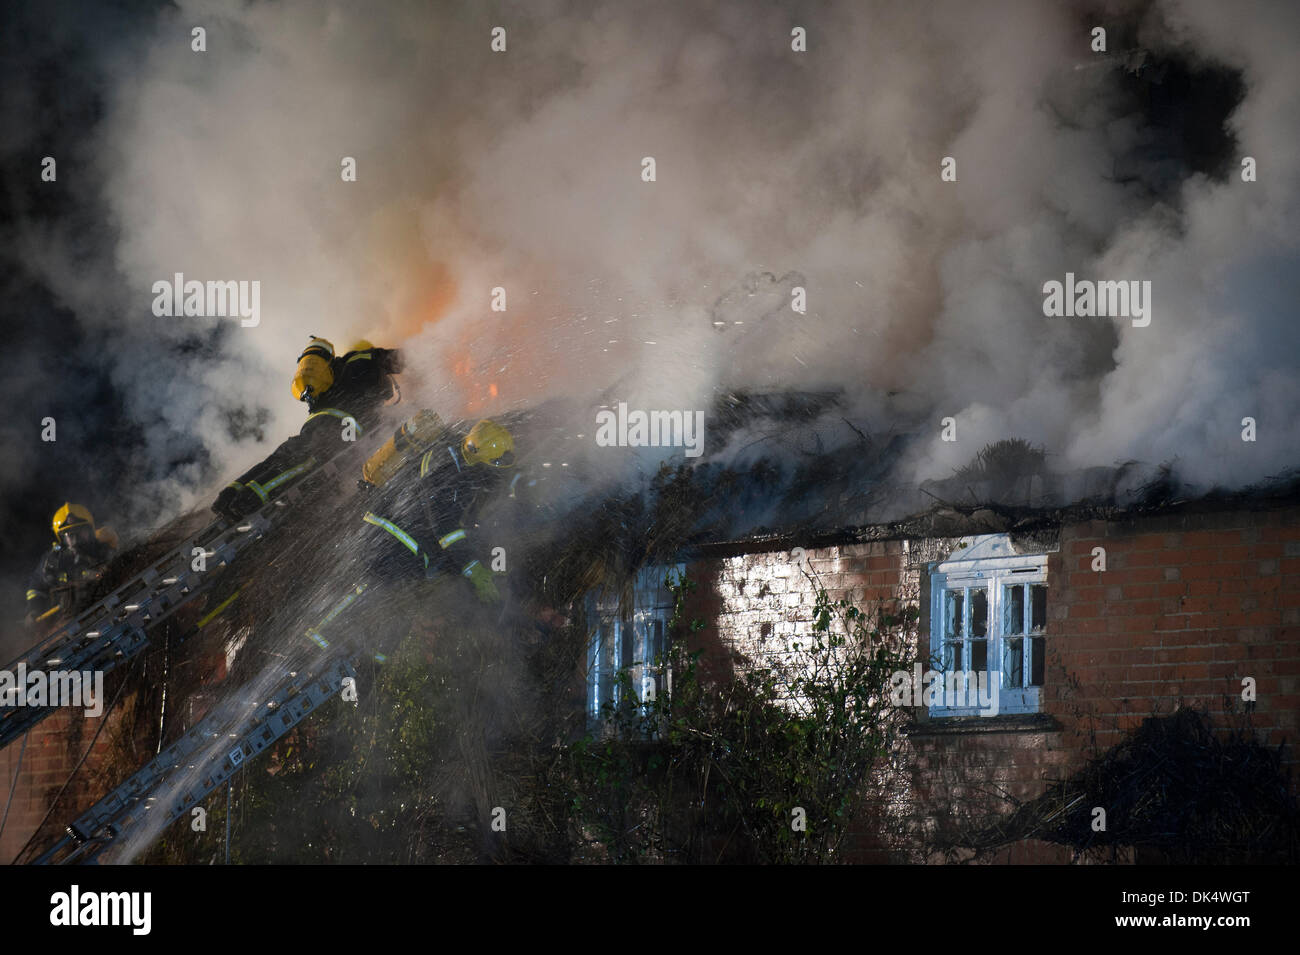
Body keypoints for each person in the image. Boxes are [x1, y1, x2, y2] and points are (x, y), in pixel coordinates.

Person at [212, 336, 402, 522]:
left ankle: (229, 494)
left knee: (283, 456)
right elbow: (405, 358)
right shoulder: (371, 358)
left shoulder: (335, 368)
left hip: (316, 422)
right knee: (309, 461)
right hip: (343, 425)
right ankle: (249, 499)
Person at [359, 417, 517, 607]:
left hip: (391, 532)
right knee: (364, 599)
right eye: (493, 465)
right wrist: (473, 569)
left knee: (374, 601)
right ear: (480, 458)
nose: (493, 472)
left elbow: (455, 518)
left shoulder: (452, 449)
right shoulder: (448, 475)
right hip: (393, 543)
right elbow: (445, 528)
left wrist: (478, 555)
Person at [26, 503, 119, 624]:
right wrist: (34, 609)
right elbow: (36, 587)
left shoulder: (104, 546)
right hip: (73, 621)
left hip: (113, 605)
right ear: (61, 537)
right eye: (69, 534)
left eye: (80, 531)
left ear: (90, 530)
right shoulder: (53, 561)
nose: (75, 538)